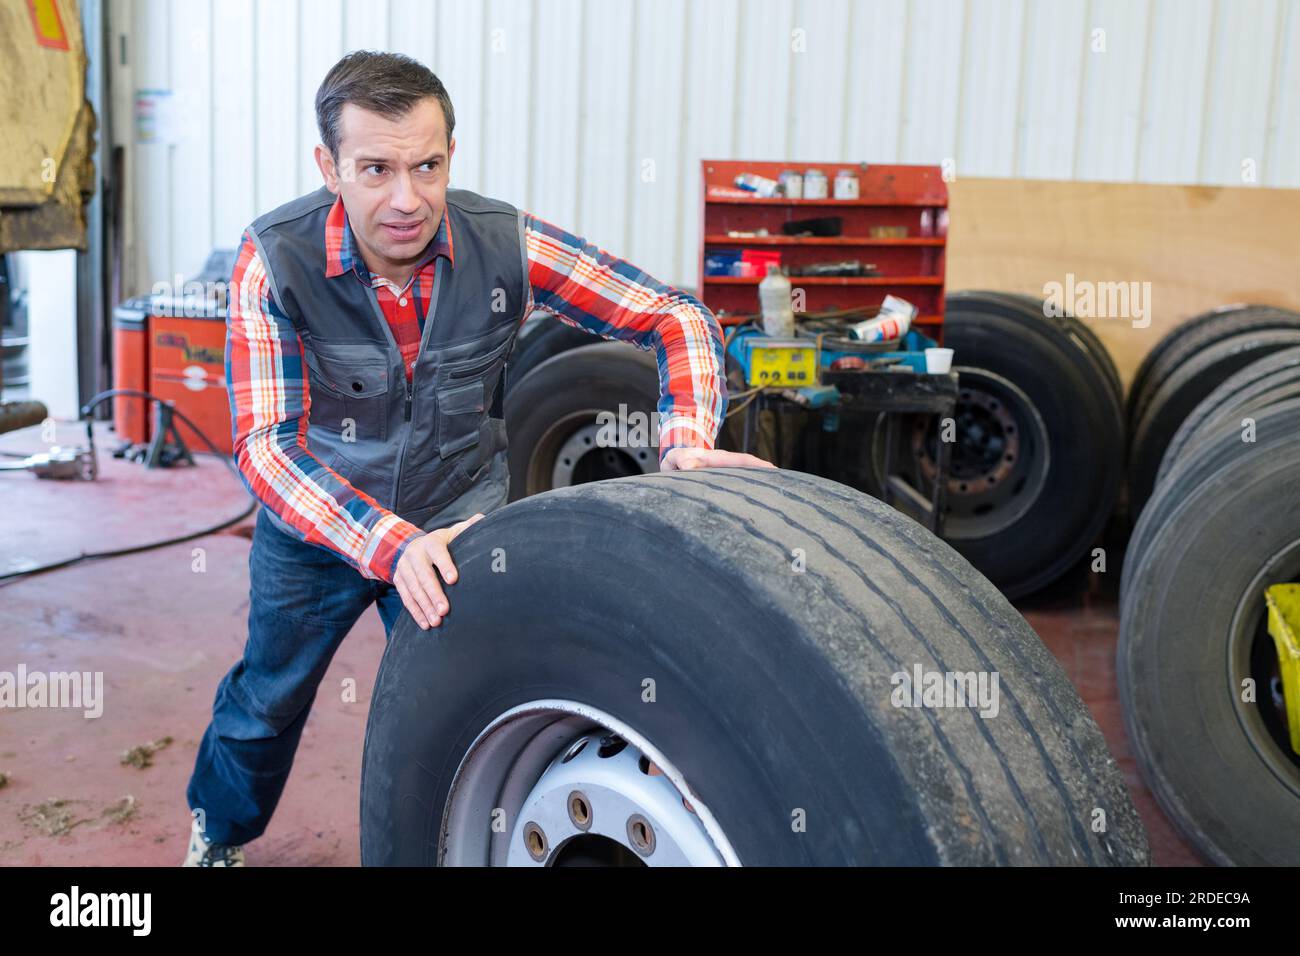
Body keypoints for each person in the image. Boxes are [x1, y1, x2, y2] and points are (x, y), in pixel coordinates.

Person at [183, 50, 773, 866]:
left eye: (427, 166)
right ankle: (218, 832)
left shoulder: (504, 245)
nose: (406, 199)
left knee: (473, 702)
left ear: (451, 156)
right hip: (319, 527)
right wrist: (388, 546)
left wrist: (685, 442)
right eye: (376, 169)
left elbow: (674, 314)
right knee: (267, 698)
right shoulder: (275, 261)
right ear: (329, 167)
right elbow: (263, 447)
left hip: (457, 523)